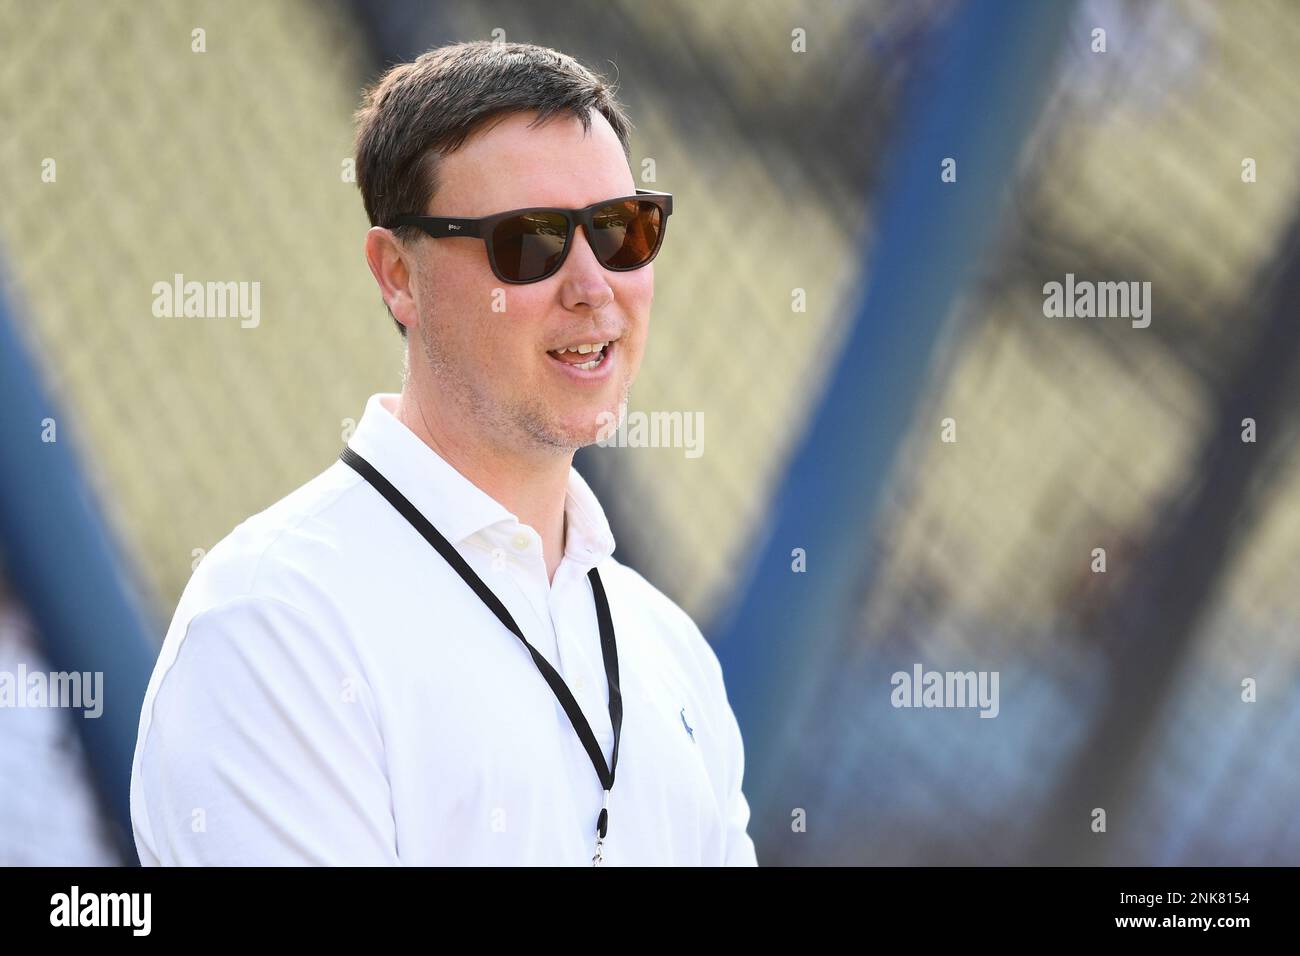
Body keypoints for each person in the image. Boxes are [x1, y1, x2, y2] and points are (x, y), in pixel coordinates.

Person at [130, 39, 758, 866]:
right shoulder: (273, 625)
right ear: (398, 274)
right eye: (529, 243)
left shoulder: (666, 648)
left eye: (621, 229)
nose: (592, 285)